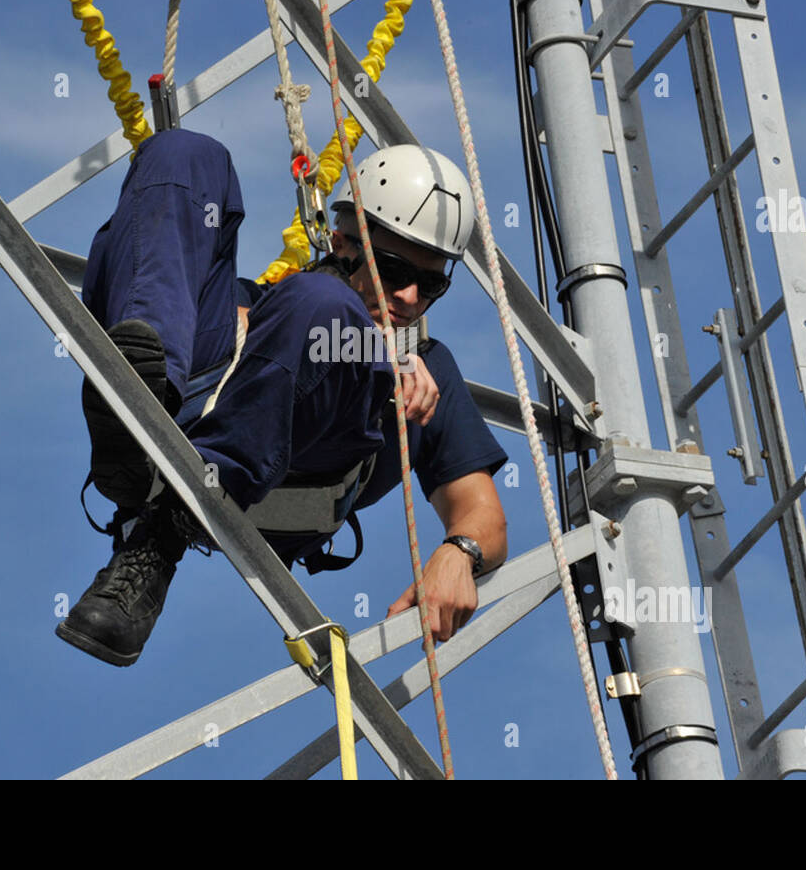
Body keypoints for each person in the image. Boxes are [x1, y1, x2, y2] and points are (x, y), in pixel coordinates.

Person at [58, 127, 508, 667]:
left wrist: (461, 553)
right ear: (341, 242)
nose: (410, 298)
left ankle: (169, 524)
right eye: (393, 271)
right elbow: (249, 318)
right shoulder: (275, 306)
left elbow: (484, 516)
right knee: (186, 155)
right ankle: (137, 400)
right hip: (202, 388)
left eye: (430, 285)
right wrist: (375, 349)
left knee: (324, 307)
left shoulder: (429, 366)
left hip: (301, 475)